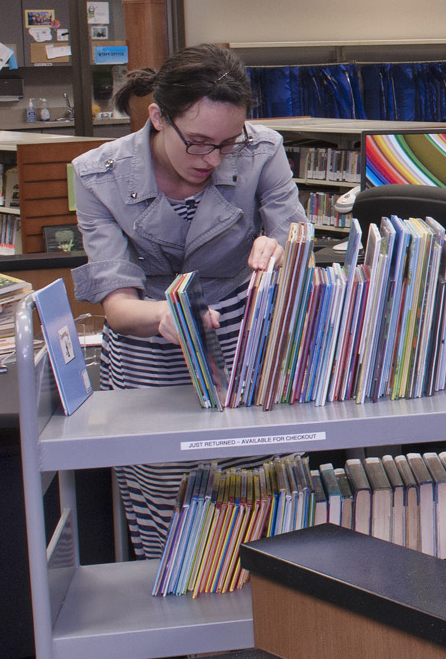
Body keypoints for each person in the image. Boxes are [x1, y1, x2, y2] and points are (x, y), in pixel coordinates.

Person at [70, 44, 306, 558]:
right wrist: (165, 316)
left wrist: (281, 246)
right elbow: (117, 304)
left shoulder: (262, 148)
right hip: (149, 334)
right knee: (171, 495)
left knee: (266, 479)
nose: (214, 158)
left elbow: (293, 228)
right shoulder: (96, 175)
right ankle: (180, 612)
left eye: (228, 142)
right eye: (198, 143)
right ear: (157, 117)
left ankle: (274, 610)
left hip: (246, 326)